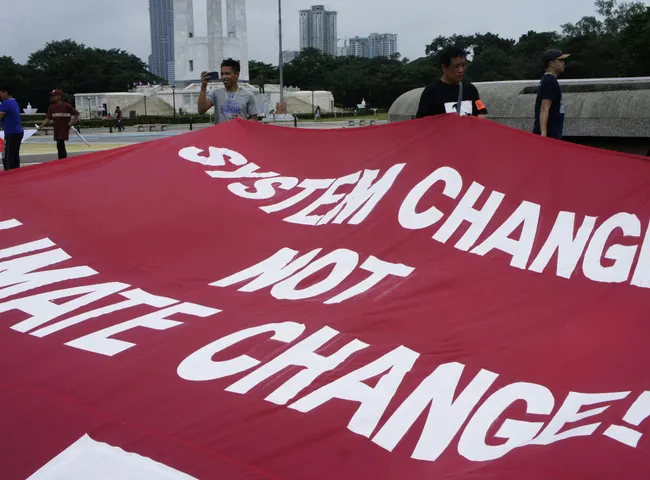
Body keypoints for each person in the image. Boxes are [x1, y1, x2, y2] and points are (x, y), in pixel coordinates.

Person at [416, 47, 488, 119]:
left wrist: (472, 119)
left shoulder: (471, 89)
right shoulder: (431, 91)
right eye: (456, 66)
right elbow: (422, 122)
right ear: (444, 67)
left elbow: (481, 113)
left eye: (463, 65)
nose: (461, 70)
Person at [197, 58, 259, 123]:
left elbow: (254, 119)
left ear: (237, 74)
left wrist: (243, 121)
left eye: (227, 73)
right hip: (221, 133)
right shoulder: (215, 93)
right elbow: (201, 110)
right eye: (222, 74)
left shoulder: (248, 95)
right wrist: (203, 87)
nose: (224, 77)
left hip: (239, 133)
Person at [533, 49, 569, 139]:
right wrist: (544, 133)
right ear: (552, 63)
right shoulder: (551, 82)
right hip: (550, 134)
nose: (563, 63)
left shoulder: (546, 79)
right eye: (560, 60)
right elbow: (544, 108)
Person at [38, 89, 80, 159]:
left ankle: (62, 159)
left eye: (54, 96)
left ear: (60, 96)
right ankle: (61, 159)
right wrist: (41, 126)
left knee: (61, 143)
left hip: (63, 128)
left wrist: (71, 123)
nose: (52, 97)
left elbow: (76, 114)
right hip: (56, 128)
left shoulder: (67, 106)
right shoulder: (52, 107)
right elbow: (47, 118)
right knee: (59, 144)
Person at [0, 85, 24, 171]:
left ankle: (9, 173)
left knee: (6, 156)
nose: (0, 95)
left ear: (5, 92)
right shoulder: (14, 102)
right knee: (14, 154)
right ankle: (16, 172)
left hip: (11, 132)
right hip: (18, 131)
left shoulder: (5, 103)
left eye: (1, 93)